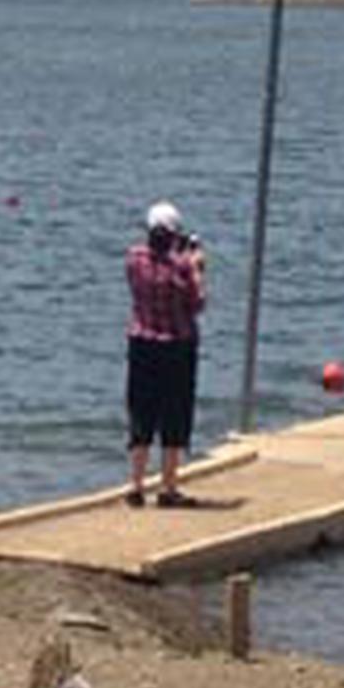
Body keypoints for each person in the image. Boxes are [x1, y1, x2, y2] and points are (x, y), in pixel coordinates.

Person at [125, 202, 206, 508]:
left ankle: (136, 485)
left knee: (141, 412)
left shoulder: (134, 259)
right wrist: (197, 266)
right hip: (176, 346)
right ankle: (168, 487)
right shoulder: (183, 267)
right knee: (174, 414)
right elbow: (197, 303)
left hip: (141, 342)